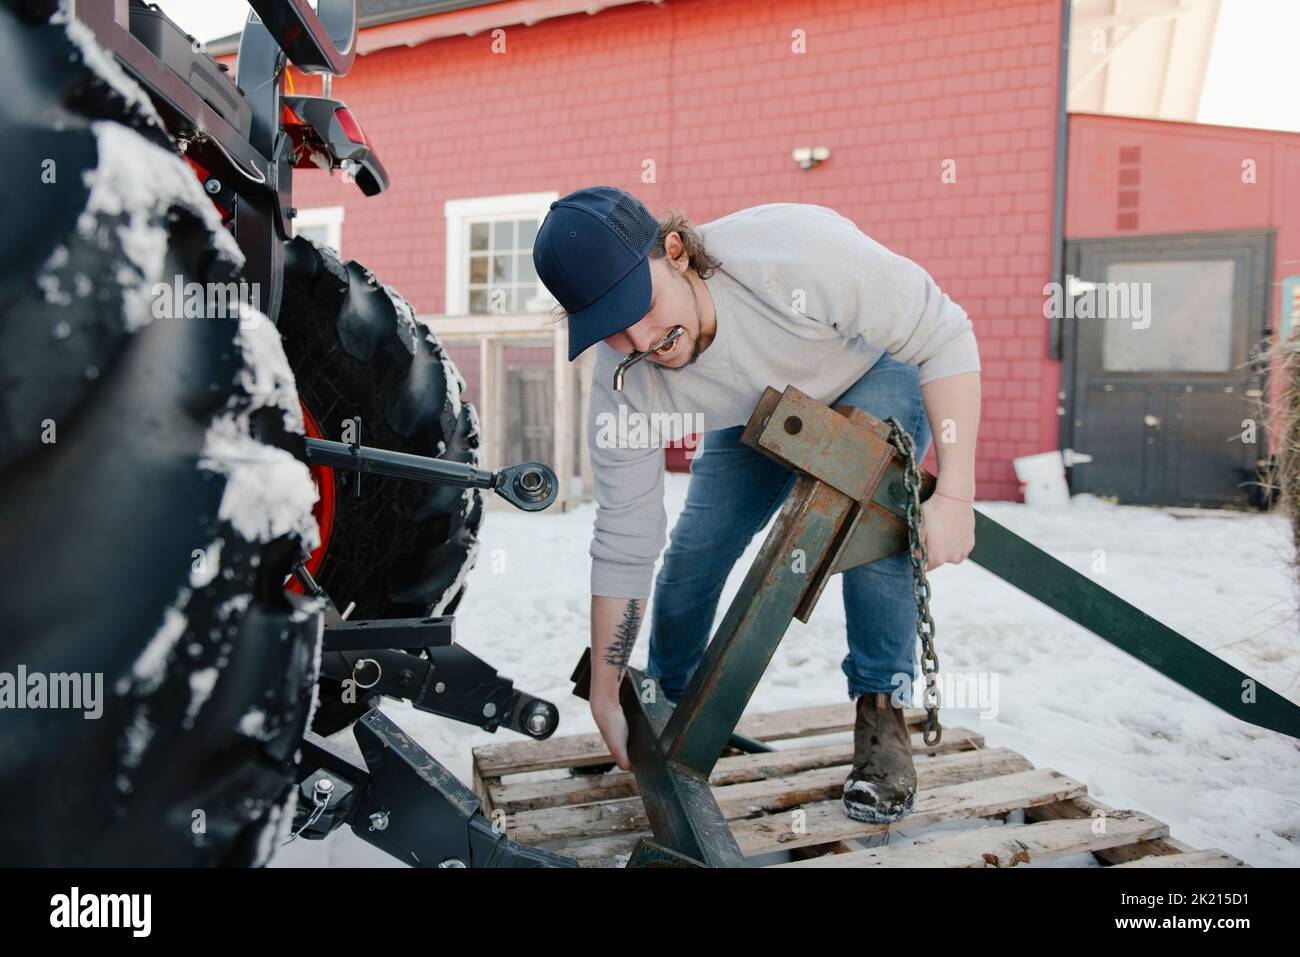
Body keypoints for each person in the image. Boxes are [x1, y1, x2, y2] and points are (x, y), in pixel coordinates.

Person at [533, 185, 980, 822]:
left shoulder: (798, 255)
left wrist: (957, 493)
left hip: (867, 372)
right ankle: (669, 704)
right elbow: (626, 536)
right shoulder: (626, 381)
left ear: (678, 252)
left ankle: (882, 716)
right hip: (757, 412)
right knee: (696, 550)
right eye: (611, 327)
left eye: (642, 304)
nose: (641, 339)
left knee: (873, 526)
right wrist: (609, 682)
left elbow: (945, 334)